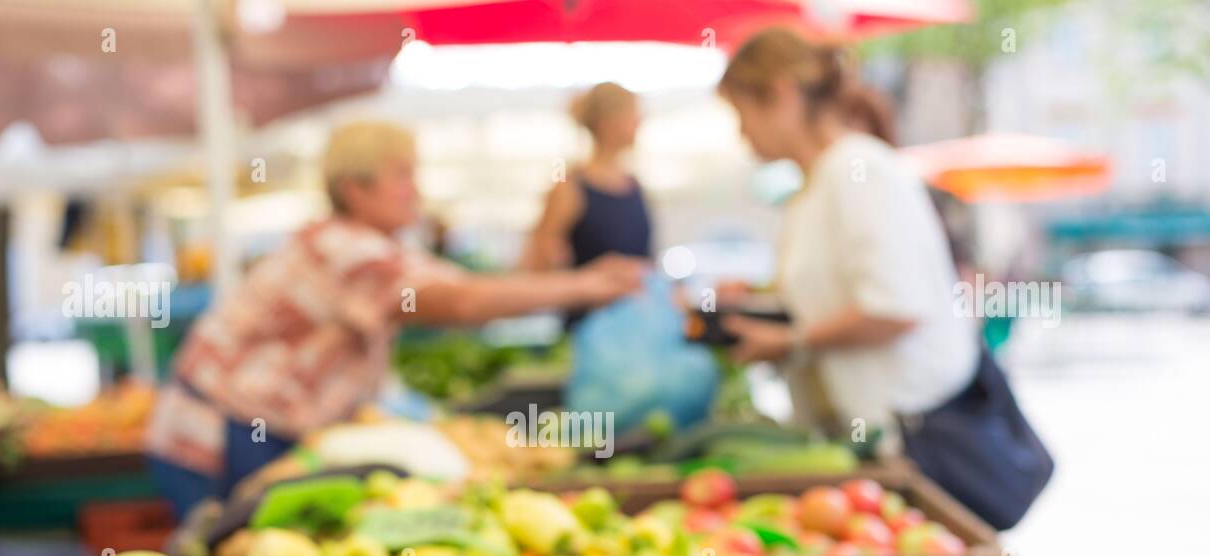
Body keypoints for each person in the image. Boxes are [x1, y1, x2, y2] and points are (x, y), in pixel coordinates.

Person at [145, 120, 643, 517]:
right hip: (218, 435)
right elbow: (463, 302)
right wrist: (585, 285)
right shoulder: (344, 249)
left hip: (264, 430)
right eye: (401, 175)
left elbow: (468, 286)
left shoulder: (373, 249)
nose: (415, 190)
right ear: (354, 189)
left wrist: (566, 275)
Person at [715, 28, 1050, 529]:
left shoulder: (860, 169)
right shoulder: (819, 182)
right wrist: (762, 299)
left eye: (743, 115)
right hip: (872, 446)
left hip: (917, 445)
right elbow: (838, 290)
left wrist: (791, 339)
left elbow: (895, 306)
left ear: (781, 95)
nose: (743, 136)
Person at [519, 82, 653, 327]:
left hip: (636, 324)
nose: (640, 121)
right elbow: (534, 267)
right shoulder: (569, 188)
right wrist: (565, 267)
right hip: (587, 328)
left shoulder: (634, 184)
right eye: (632, 113)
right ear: (607, 121)